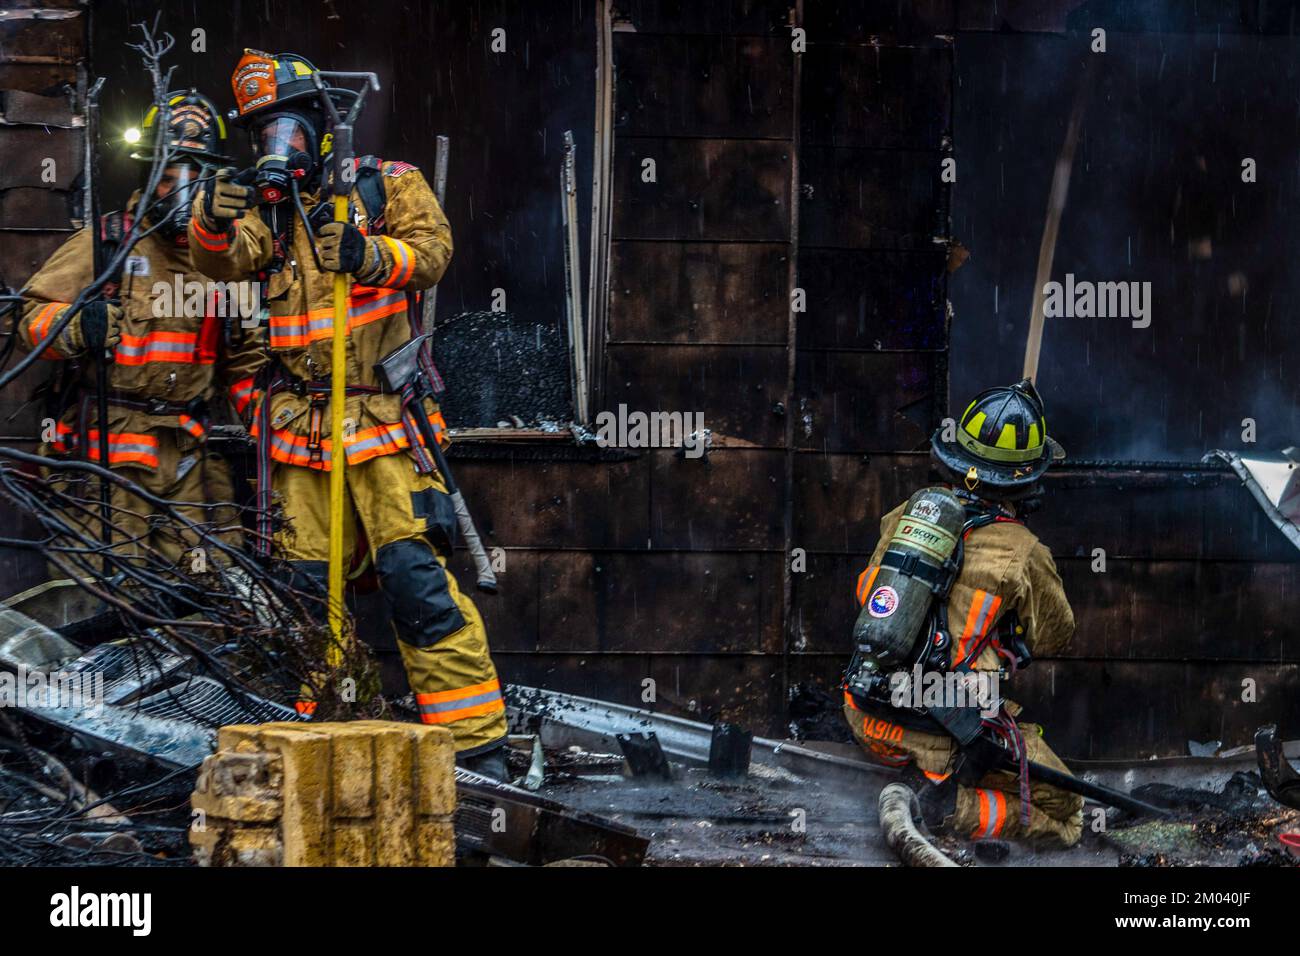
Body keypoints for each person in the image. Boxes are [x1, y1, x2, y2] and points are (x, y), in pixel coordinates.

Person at [188, 50, 509, 779]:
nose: (278, 144)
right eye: (263, 131)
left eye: (287, 126)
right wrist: (209, 219)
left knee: (413, 579)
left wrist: (368, 254)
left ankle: (474, 746)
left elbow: (434, 252)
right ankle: (321, 728)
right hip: (301, 430)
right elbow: (220, 260)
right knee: (306, 595)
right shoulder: (268, 215)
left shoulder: (386, 183)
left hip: (384, 422)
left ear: (320, 125)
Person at [21, 91, 260, 566]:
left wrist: (272, 428)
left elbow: (245, 363)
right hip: (106, 462)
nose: (181, 194)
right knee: (100, 595)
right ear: (147, 177)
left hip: (189, 461)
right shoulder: (104, 243)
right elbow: (27, 321)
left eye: (195, 180)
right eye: (167, 179)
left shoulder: (225, 259)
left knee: (205, 598)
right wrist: (76, 327)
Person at [843, 379, 1084, 846]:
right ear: (1030, 480)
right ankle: (948, 807)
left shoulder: (910, 513)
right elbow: (1056, 636)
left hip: (864, 713)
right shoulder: (1024, 550)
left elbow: (868, 594)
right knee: (1069, 812)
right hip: (938, 736)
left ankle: (923, 781)